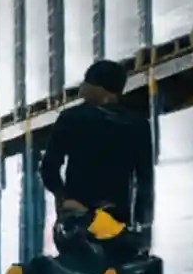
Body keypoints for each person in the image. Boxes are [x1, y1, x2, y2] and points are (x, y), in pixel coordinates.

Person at [39, 59, 154, 228]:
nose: (82, 87)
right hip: (116, 219)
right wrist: (141, 223)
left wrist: (63, 198)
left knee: (76, 253)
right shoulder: (137, 124)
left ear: (102, 89)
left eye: (88, 82)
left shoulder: (72, 118)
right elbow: (145, 178)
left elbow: (49, 167)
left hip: (78, 216)